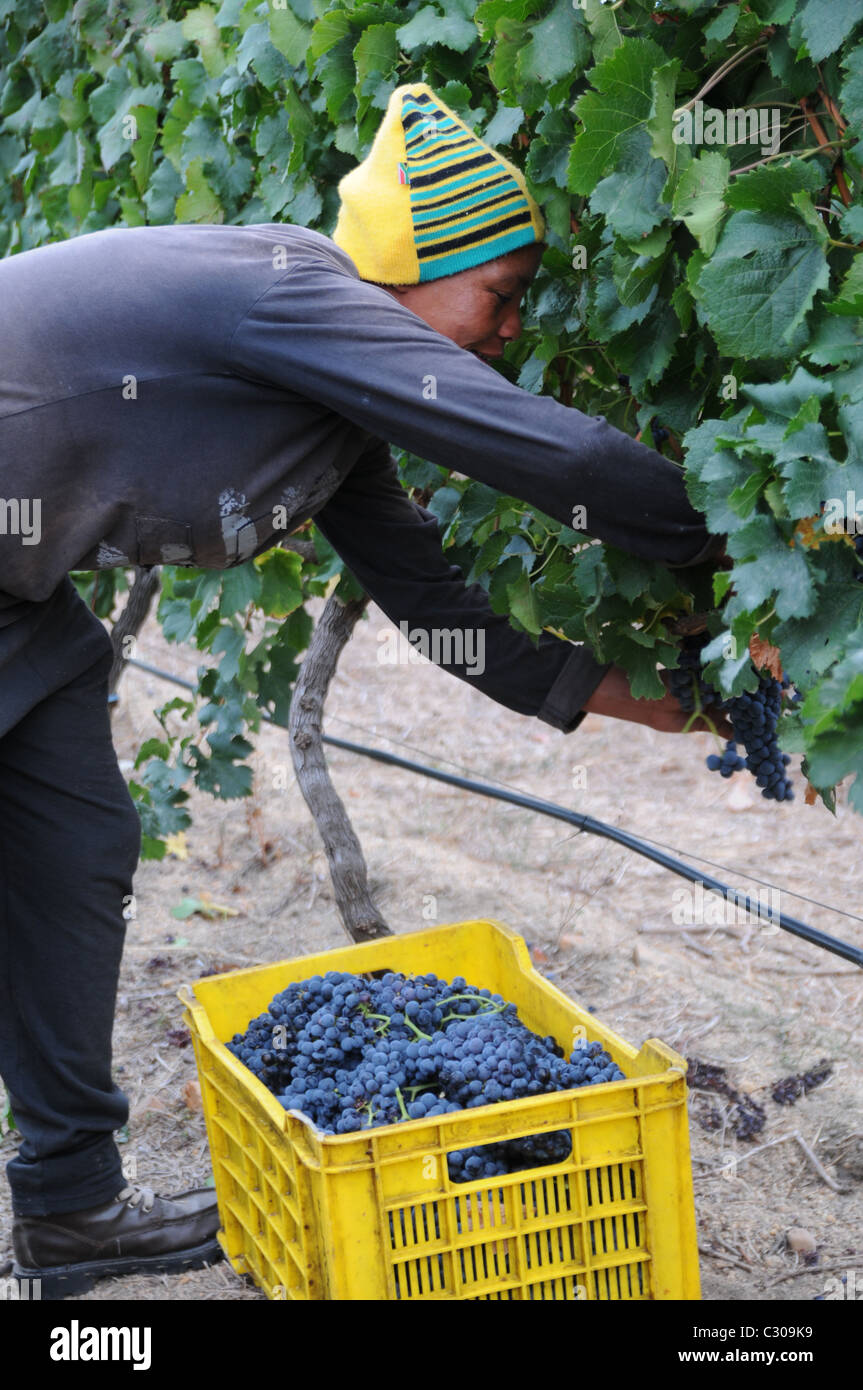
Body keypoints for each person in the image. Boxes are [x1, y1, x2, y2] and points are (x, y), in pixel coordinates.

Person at [0, 82, 727, 1297]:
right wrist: (740, 539)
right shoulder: (295, 292)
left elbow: (448, 623)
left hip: (18, 604)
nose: (504, 334)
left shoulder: (328, 419)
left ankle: (70, 1210)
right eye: (496, 297)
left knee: (75, 848)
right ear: (420, 260)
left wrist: (687, 703)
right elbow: (556, 457)